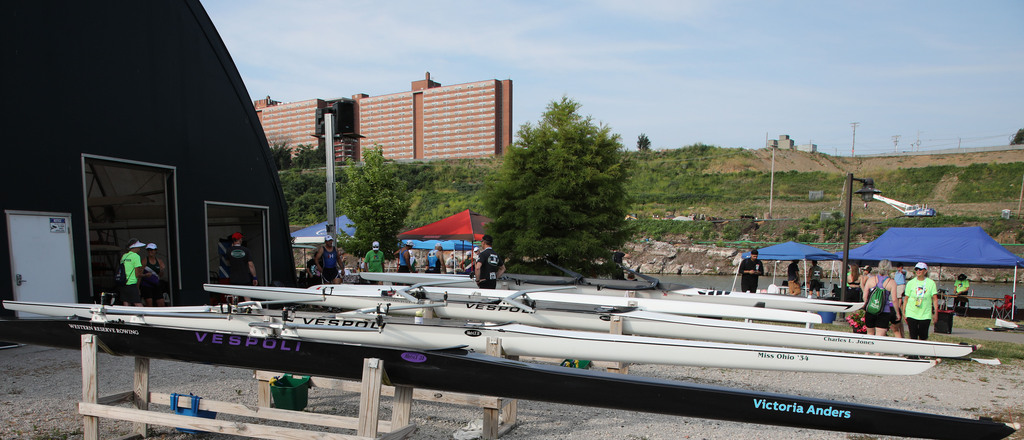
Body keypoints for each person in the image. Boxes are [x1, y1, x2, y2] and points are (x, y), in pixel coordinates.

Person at [904, 262, 939, 344]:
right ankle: (913, 355)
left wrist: (936, 313)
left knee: (923, 336)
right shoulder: (910, 283)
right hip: (912, 312)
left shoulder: (931, 283)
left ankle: (921, 353)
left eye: (920, 269)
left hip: (925, 314)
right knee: (913, 335)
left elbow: (935, 299)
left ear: (925, 271)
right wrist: (904, 312)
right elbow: (906, 298)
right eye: (916, 269)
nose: (918, 271)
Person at [860, 266, 898, 337]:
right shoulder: (892, 282)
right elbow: (894, 299)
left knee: (870, 334)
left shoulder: (871, 279)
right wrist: (897, 313)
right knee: (880, 336)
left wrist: (865, 304)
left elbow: (865, 295)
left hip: (871, 309)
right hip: (884, 311)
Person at [118, 239, 146, 307]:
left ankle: (126, 317)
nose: (139, 249)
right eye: (138, 247)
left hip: (123, 282)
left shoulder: (124, 256)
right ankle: (144, 316)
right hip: (131, 283)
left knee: (126, 302)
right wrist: (146, 275)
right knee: (137, 302)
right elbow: (137, 274)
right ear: (134, 247)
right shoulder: (136, 256)